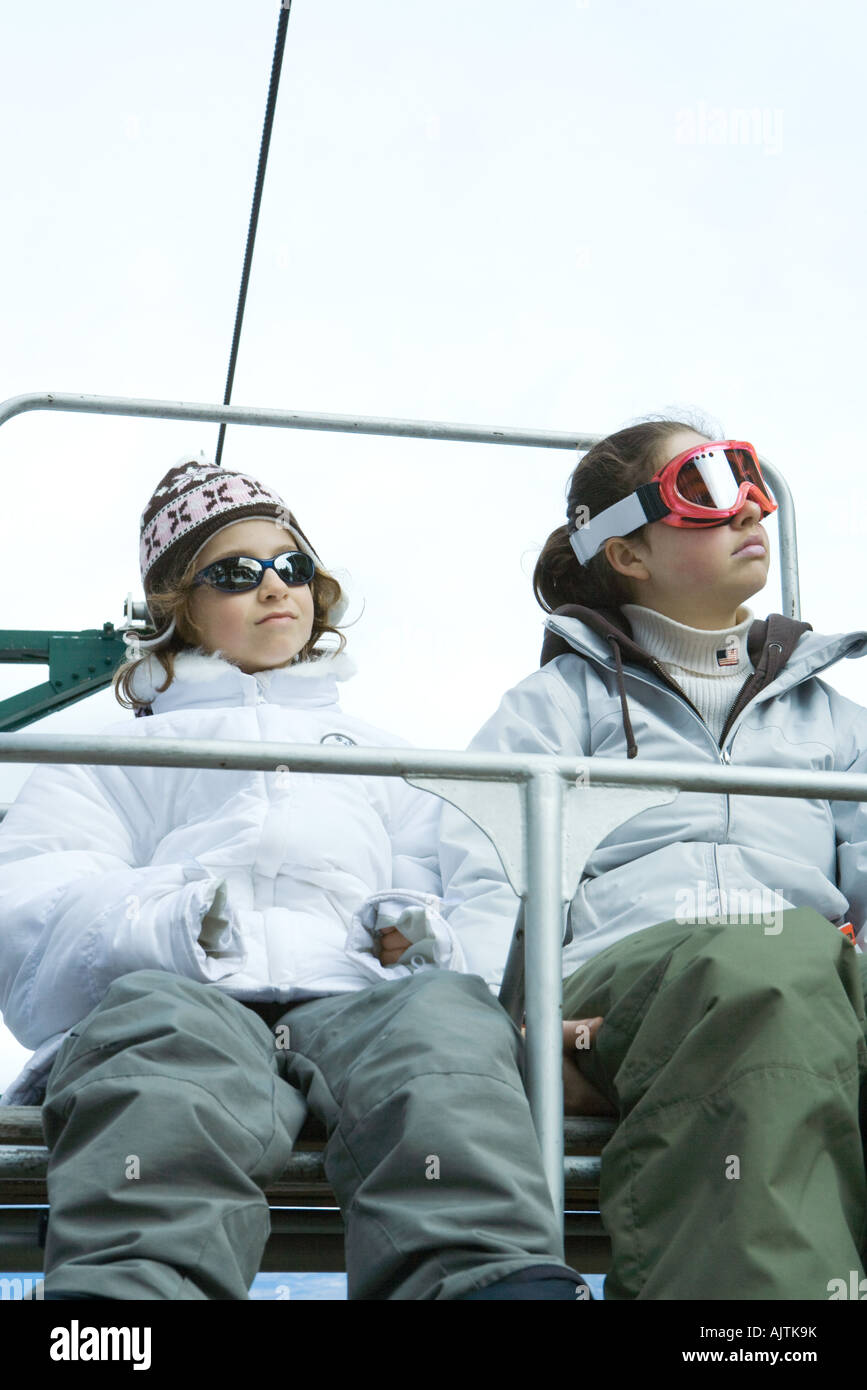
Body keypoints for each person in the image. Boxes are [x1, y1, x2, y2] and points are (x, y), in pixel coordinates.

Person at [0, 455, 587, 1301]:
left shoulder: (385, 757)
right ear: (179, 609)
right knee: (161, 1060)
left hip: (357, 995)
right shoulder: (120, 754)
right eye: (236, 575)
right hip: (192, 992)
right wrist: (177, 924)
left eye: (294, 568)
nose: (276, 588)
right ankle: (131, 1293)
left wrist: (413, 933)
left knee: (442, 1039)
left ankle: (480, 1278)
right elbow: (36, 898)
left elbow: (467, 883)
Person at [437, 420, 867, 1300]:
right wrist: (510, 1032)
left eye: (749, 475)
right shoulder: (558, 706)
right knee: (763, 961)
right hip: (624, 978)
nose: (749, 504)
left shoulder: (831, 719)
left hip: (810, 975)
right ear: (626, 552)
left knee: (786, 965)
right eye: (705, 485)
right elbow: (490, 872)